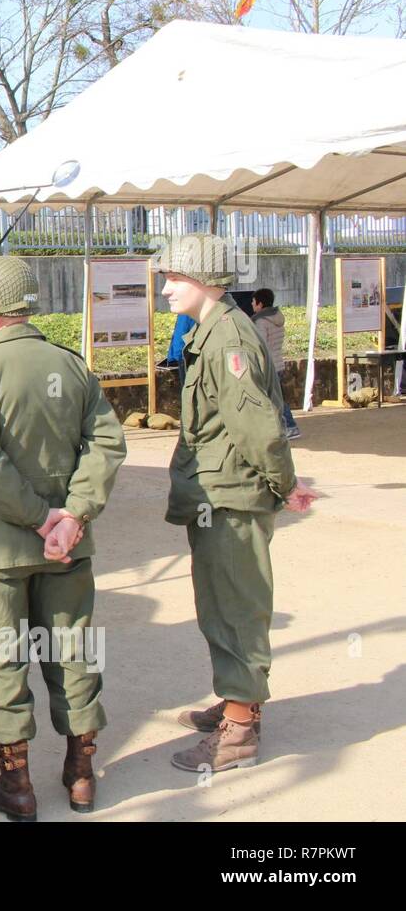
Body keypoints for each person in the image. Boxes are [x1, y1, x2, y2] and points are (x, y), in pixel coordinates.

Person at [0, 256, 127, 821]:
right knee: (73, 651)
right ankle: (80, 776)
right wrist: (71, 515)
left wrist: (35, 517)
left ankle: (17, 788)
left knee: (3, 659)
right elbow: (107, 445)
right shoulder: (71, 367)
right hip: (66, 548)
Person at [159, 235, 317, 774]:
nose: (165, 290)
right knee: (222, 604)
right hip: (218, 493)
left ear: (205, 279)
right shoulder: (215, 331)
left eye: (174, 279)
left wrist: (285, 484)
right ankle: (235, 700)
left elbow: (258, 427)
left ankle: (240, 729)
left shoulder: (227, 340)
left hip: (232, 496)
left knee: (237, 608)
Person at [250, 288, 301, 439]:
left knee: (269, 399)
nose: (252, 305)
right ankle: (287, 427)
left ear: (260, 303)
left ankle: (289, 427)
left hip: (267, 366)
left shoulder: (260, 321)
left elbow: (260, 345)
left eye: (253, 302)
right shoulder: (277, 318)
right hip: (278, 362)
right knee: (278, 398)